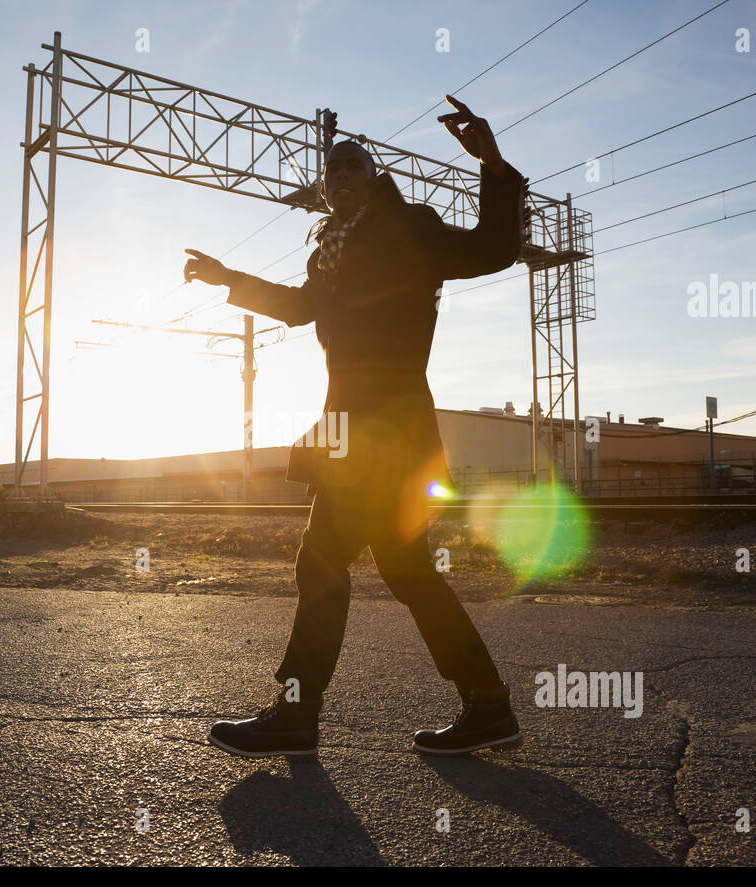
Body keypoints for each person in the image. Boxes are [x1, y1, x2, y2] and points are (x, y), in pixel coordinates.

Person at [183, 95, 528, 758]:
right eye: (330, 171)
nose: (339, 176)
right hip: (349, 431)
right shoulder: (328, 255)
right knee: (404, 573)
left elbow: (494, 248)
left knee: (322, 563)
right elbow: (297, 308)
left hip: (388, 431)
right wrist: (230, 280)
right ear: (322, 188)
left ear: (374, 179)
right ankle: (487, 707)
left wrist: (493, 164)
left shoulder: (410, 228)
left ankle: (297, 715)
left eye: (353, 167)